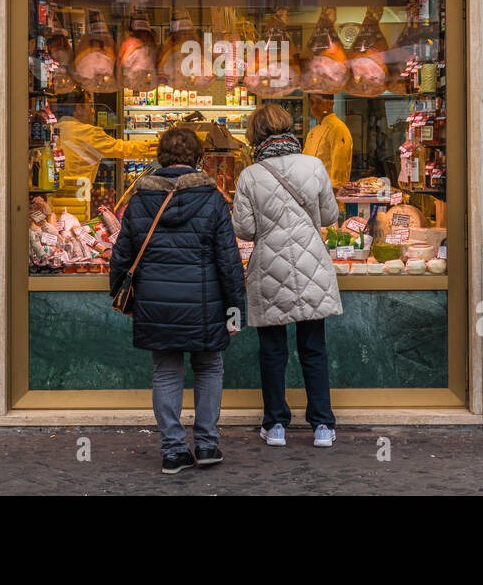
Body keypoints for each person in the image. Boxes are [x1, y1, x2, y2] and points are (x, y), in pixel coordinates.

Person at [108, 126, 246, 475]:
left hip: (156, 302)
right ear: (198, 158)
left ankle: (172, 451)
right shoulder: (213, 198)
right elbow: (228, 260)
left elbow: (122, 255)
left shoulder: (140, 199)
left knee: (166, 372)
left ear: (161, 158)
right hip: (206, 302)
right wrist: (236, 306)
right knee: (209, 366)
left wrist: (119, 293)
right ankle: (207, 444)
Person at [234, 103, 343, 449]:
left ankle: (276, 424)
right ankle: (323, 426)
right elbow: (329, 215)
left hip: (269, 267)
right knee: (313, 347)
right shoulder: (314, 165)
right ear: (288, 127)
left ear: (256, 135)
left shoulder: (251, 175)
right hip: (312, 264)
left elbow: (245, 229)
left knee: (273, 350)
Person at [54, 92, 154, 219]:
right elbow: (122, 149)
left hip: (53, 198)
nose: (92, 110)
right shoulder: (88, 133)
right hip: (78, 200)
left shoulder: (53, 128)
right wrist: (154, 146)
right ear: (78, 108)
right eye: (89, 106)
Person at [304, 94, 353, 188]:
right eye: (312, 102)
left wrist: (335, 192)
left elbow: (340, 168)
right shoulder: (312, 132)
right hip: (312, 190)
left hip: (330, 193)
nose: (314, 106)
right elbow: (306, 163)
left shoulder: (338, 128)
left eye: (318, 102)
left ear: (330, 104)